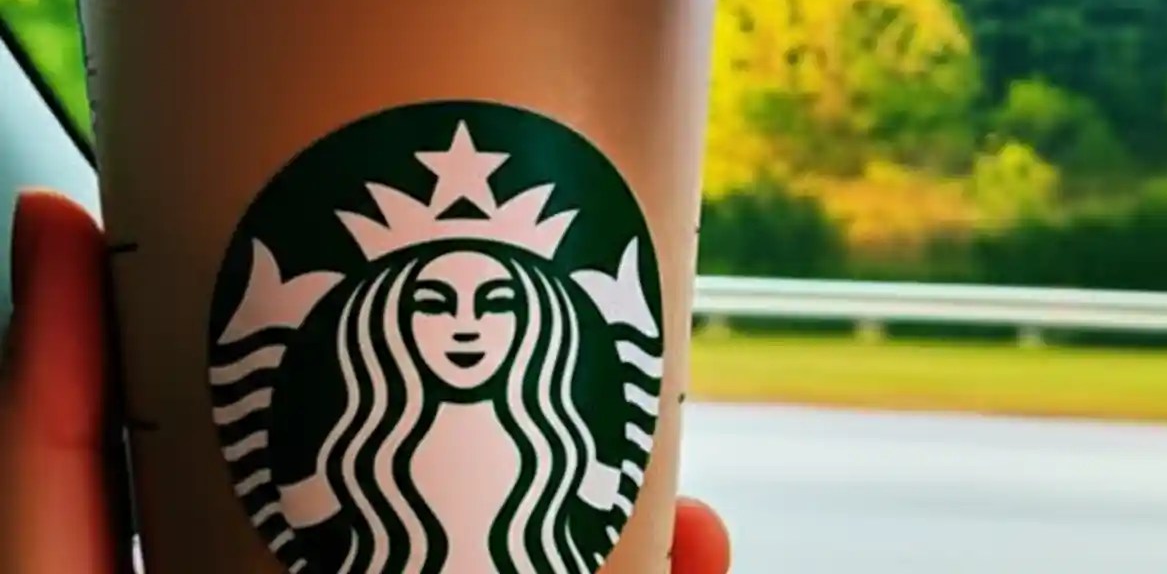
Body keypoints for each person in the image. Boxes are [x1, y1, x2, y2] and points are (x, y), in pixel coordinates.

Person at [0, 190, 733, 574]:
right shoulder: (328, 478)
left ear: (537, 323)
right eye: (434, 304)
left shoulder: (583, 473)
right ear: (387, 322)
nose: (467, 326)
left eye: (497, 303)